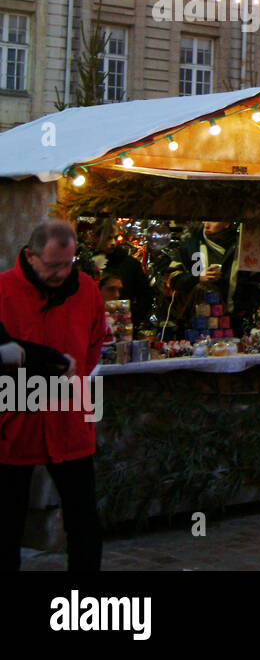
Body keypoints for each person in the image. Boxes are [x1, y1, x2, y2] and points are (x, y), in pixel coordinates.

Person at [0, 220, 111, 571]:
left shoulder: (88, 290)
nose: (62, 272)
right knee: (7, 521)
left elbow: (95, 344)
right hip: (13, 413)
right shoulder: (3, 290)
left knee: (83, 518)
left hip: (69, 412)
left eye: (68, 263)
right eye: (53, 265)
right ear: (31, 257)